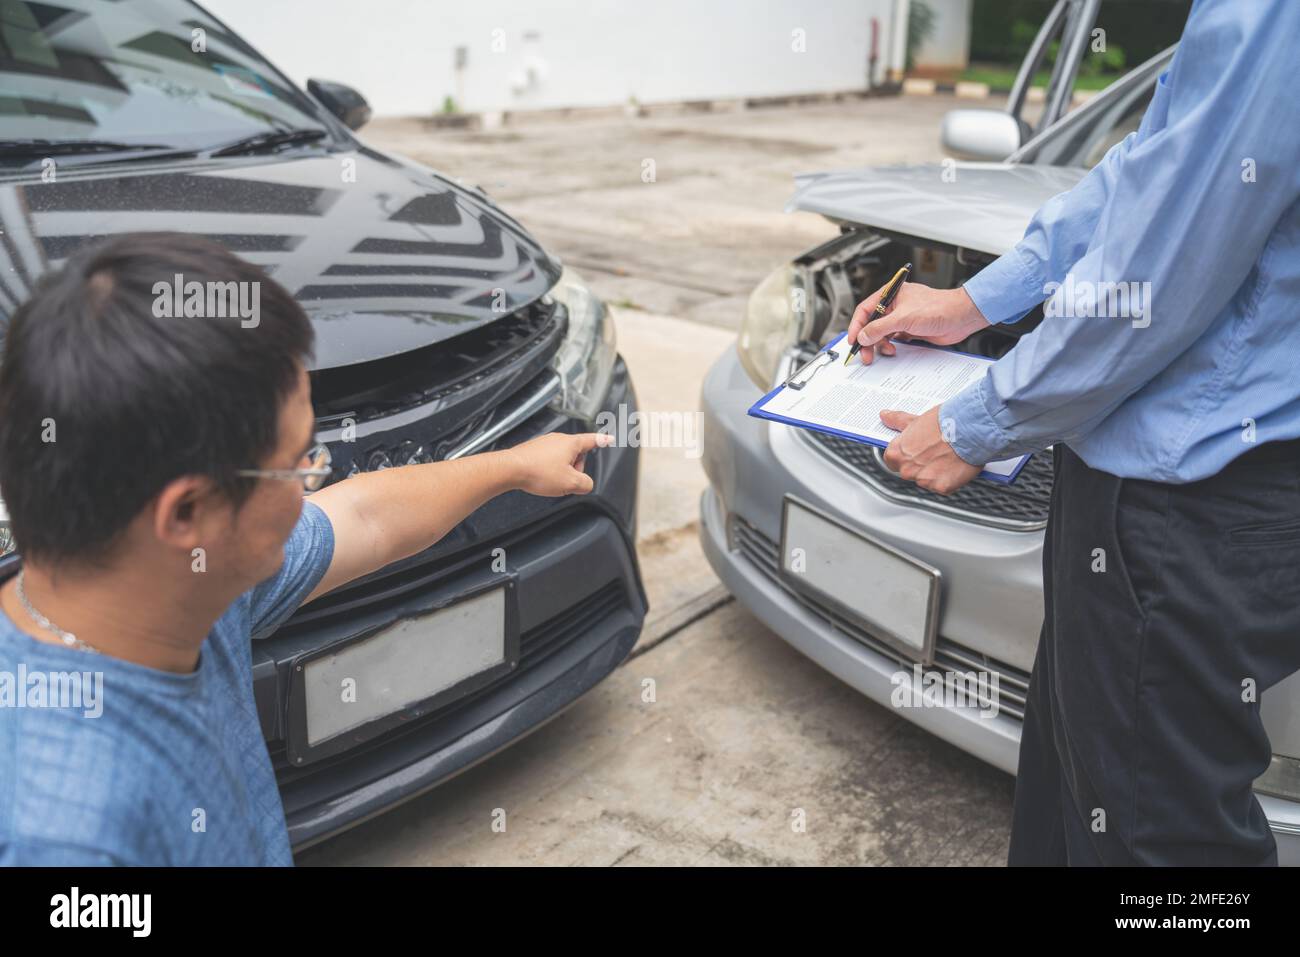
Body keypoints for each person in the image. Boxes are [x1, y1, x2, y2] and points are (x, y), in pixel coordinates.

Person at [845, 0, 1300, 865]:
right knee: (1080, 803)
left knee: (1158, 846)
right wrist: (979, 300)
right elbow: (1151, 166)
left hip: (1191, 502)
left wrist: (984, 419)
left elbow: (1161, 259)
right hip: (1174, 497)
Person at [0, 232, 609, 865]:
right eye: (297, 466)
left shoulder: (179, 586)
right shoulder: (61, 836)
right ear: (186, 513)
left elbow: (367, 516)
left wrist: (512, 466)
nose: (312, 484)